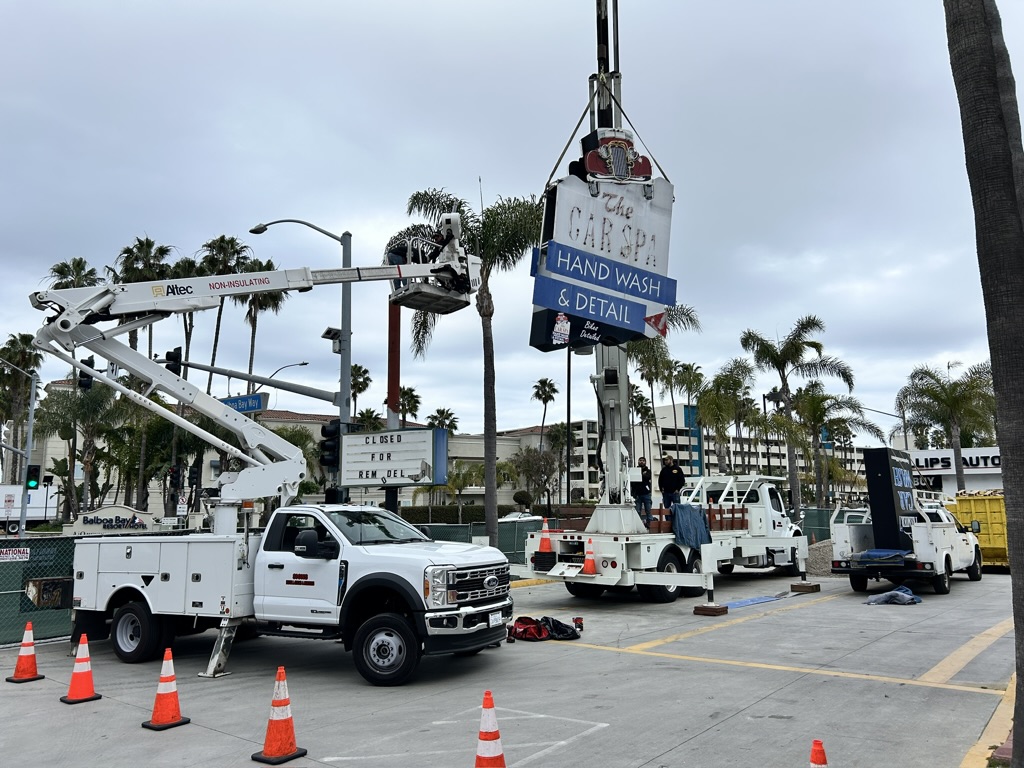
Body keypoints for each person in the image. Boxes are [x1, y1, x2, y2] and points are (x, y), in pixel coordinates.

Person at [631, 457, 653, 527]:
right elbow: (633, 480)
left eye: (643, 461)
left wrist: (640, 475)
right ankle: (638, 525)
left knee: (648, 510)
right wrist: (642, 474)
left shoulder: (648, 471)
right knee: (637, 511)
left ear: (645, 462)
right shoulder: (634, 470)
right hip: (637, 494)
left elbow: (647, 477)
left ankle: (649, 524)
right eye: (640, 460)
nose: (641, 462)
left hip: (646, 493)